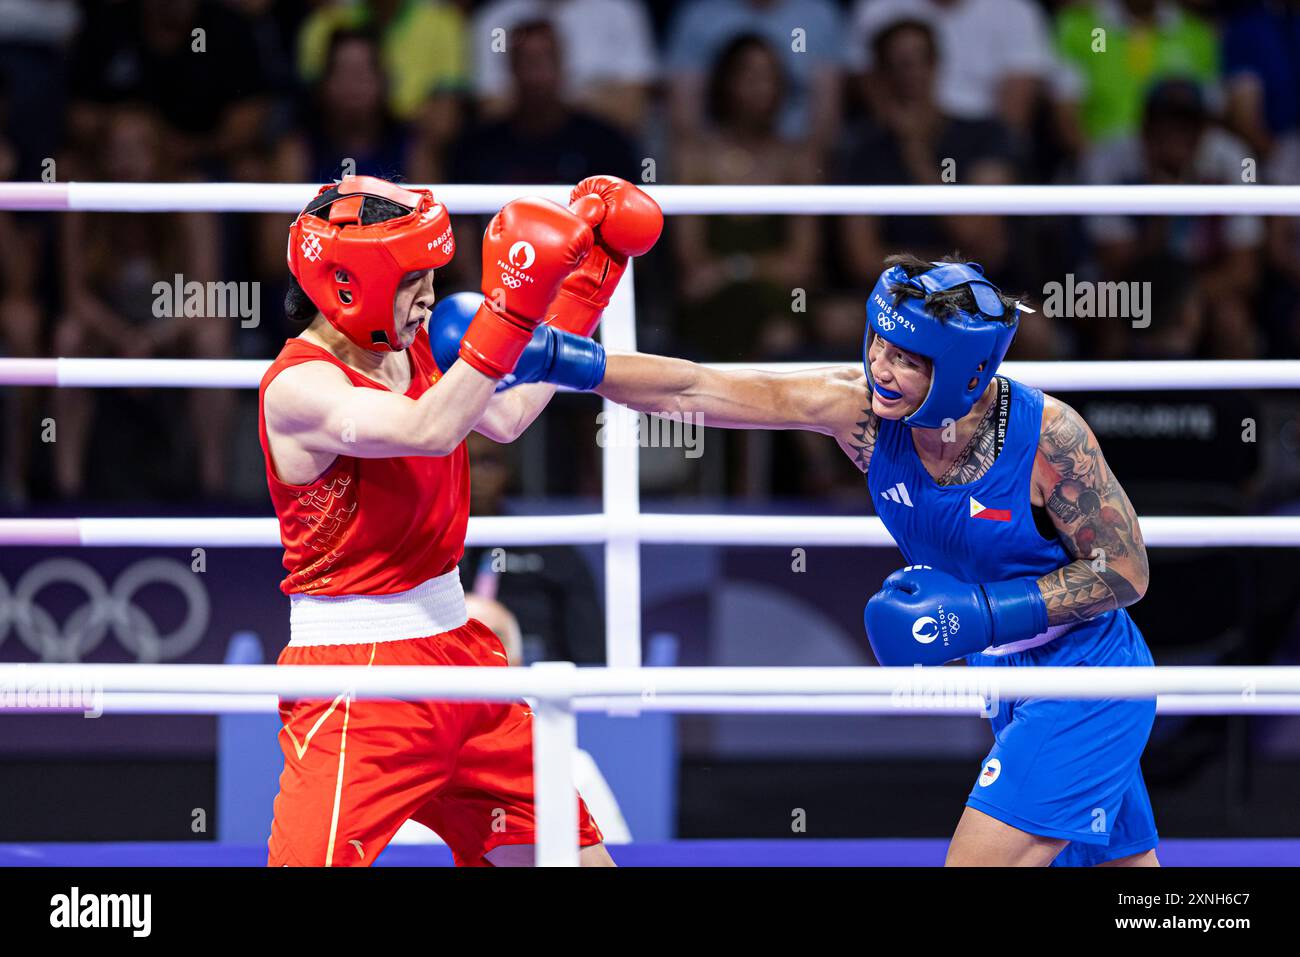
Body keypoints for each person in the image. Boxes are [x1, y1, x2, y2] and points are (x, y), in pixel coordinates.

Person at [546, 254, 1158, 867]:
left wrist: (986, 611)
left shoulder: (1048, 436)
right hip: (1008, 681)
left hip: (1087, 678)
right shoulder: (858, 410)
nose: (881, 369)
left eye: (906, 360)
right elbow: (697, 387)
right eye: (878, 344)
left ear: (964, 373)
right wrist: (566, 362)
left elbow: (1127, 572)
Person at [259, 172, 662, 866]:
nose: (431, 295)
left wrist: (591, 276)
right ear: (349, 282)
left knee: (575, 861)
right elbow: (428, 429)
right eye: (414, 278)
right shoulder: (299, 388)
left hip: (463, 654)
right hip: (359, 680)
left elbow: (504, 414)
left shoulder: (412, 344)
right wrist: (511, 309)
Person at [392, 593, 633, 846]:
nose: (469, 655)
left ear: (514, 662)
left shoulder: (572, 766)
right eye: (455, 639)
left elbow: (616, 852)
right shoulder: (381, 761)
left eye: (489, 637)